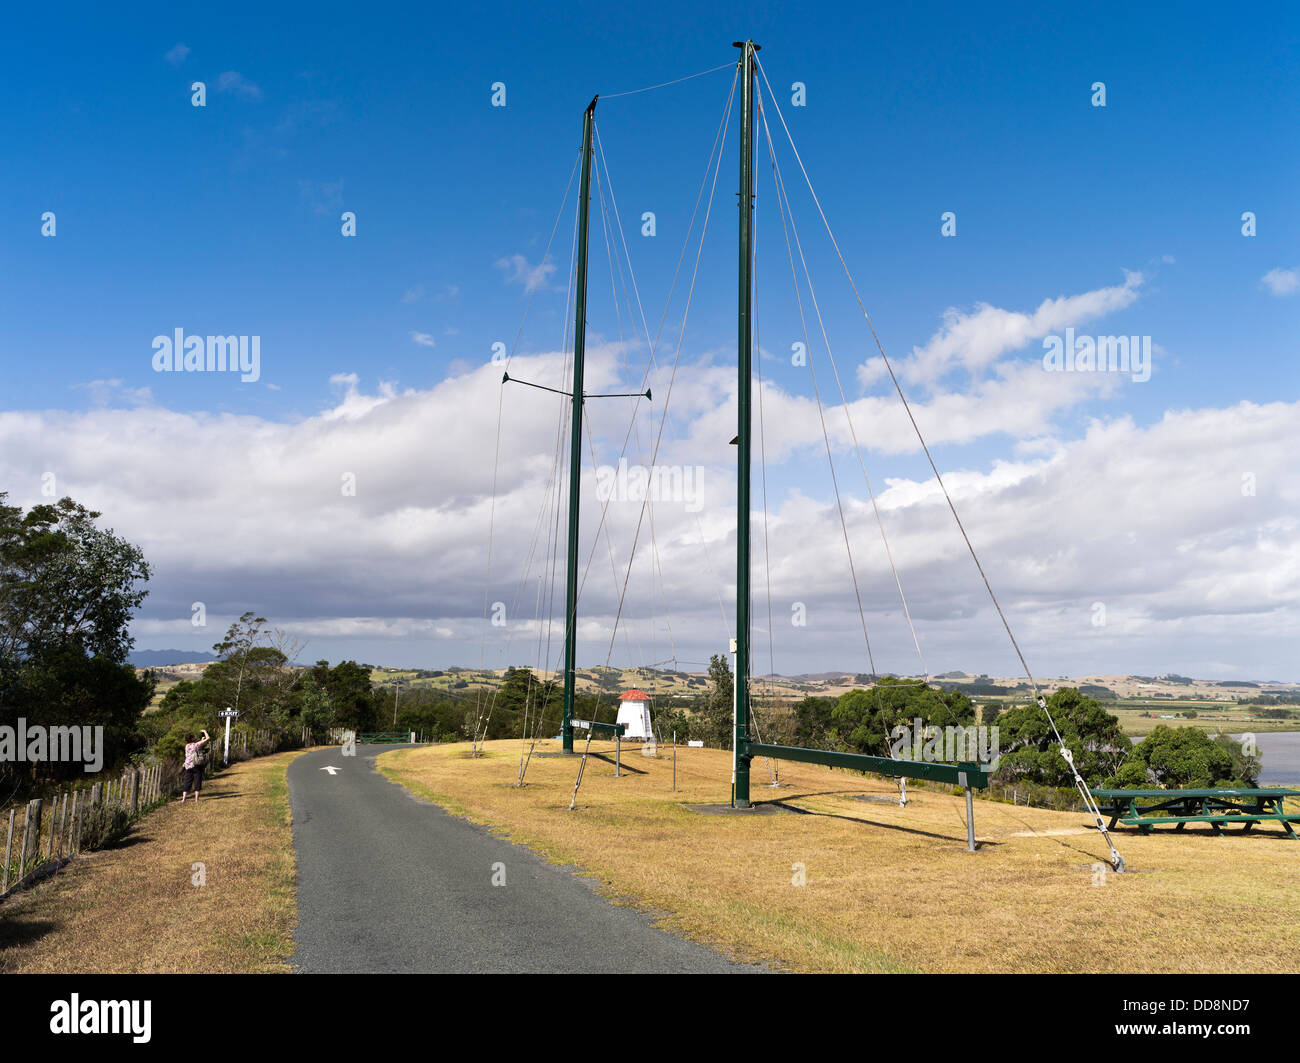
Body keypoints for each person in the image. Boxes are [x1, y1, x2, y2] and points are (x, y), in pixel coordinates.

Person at [180, 729, 211, 804]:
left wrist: (201, 740)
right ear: (192, 738)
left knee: (187, 782)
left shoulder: (187, 746)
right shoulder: (196, 744)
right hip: (196, 765)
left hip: (188, 765)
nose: (194, 738)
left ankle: (183, 799)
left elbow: (196, 748)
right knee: (197, 781)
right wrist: (205, 732)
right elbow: (208, 739)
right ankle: (196, 799)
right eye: (193, 737)